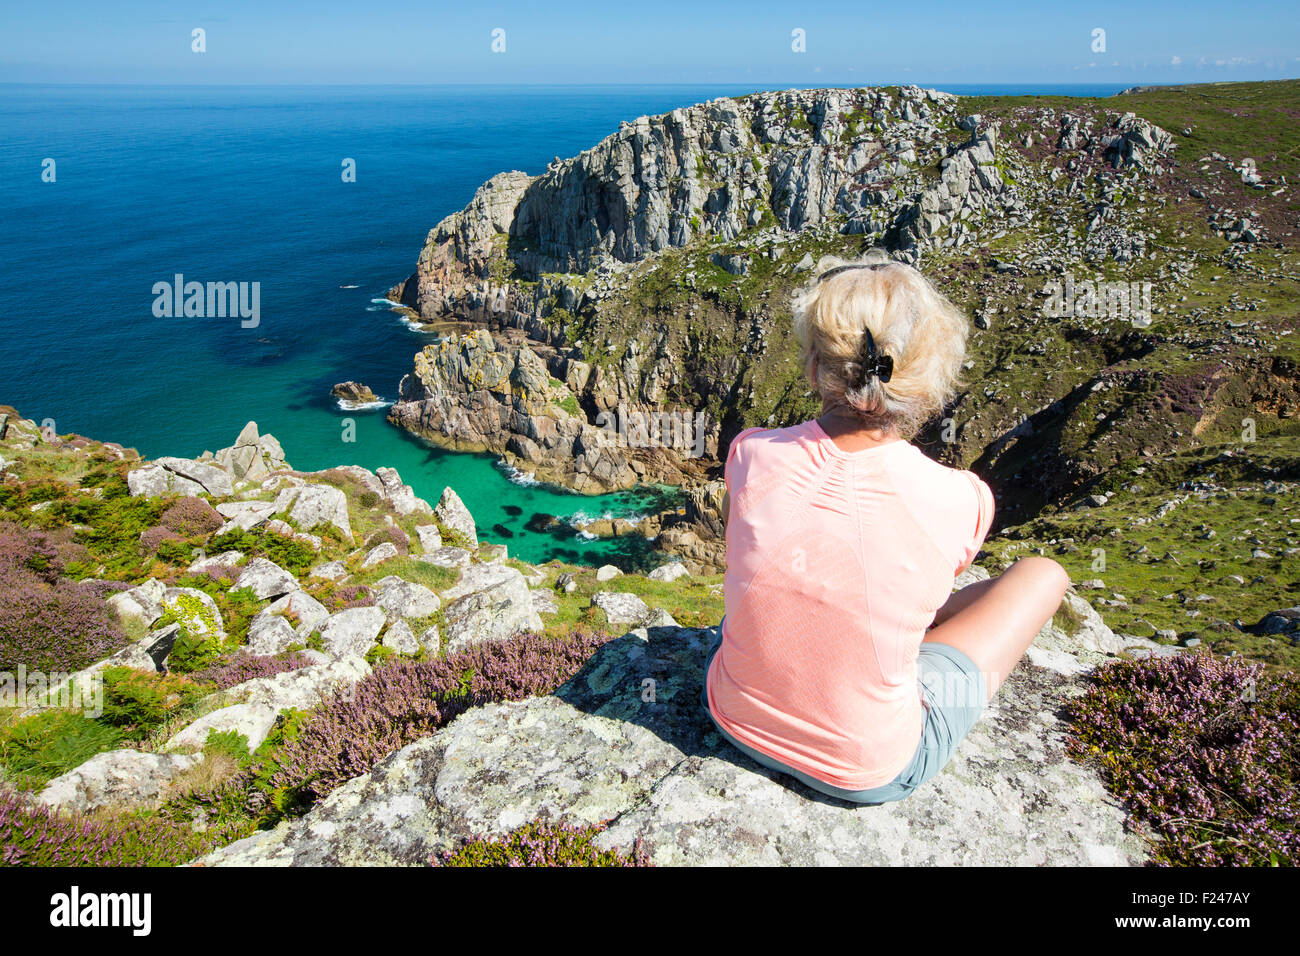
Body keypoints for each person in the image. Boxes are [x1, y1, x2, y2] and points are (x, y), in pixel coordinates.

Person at [701, 251, 1070, 804]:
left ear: (813, 367)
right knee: (1044, 575)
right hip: (868, 771)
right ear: (928, 381)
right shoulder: (961, 499)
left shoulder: (751, 452)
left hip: (731, 717)